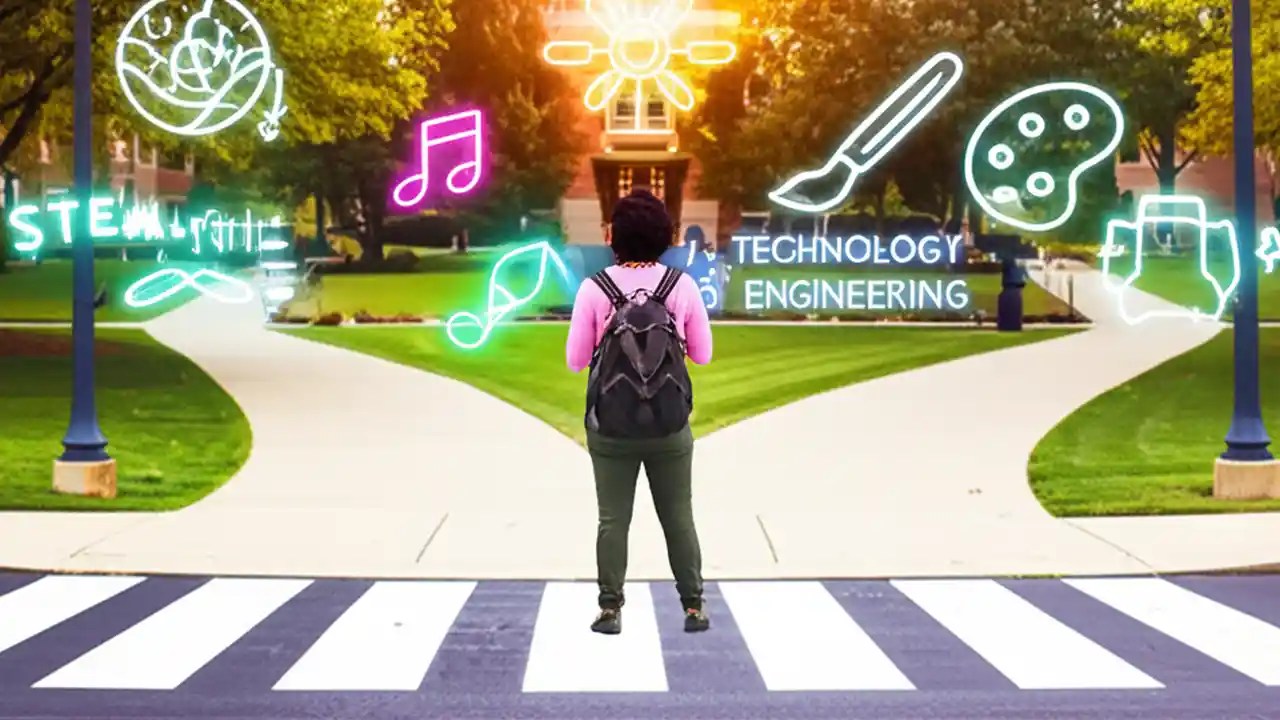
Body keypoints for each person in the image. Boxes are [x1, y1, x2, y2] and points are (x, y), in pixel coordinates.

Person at [566, 189, 713, 635]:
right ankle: (692, 607)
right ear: (664, 237)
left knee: (613, 519)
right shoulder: (680, 285)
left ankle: (610, 608)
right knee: (678, 516)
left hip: (610, 427)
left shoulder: (596, 288)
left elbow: (575, 360)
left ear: (614, 237)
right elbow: (703, 355)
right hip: (669, 425)